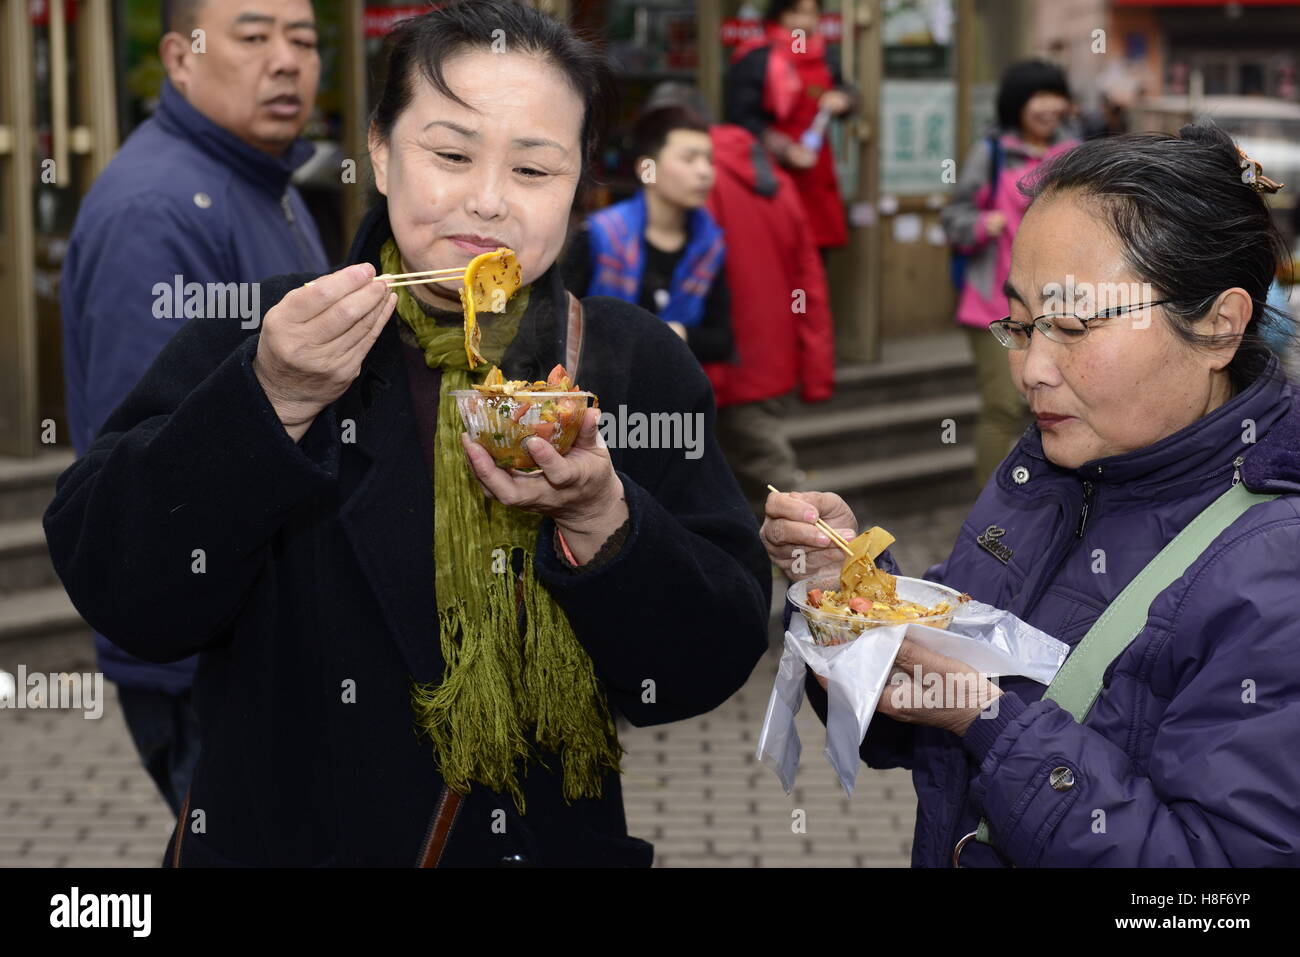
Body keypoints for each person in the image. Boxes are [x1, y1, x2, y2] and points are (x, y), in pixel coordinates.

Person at [45, 0, 770, 867]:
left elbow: (705, 661)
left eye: (535, 170)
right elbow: (126, 591)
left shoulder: (630, 365)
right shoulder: (264, 333)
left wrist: (603, 518)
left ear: (580, 185)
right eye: (452, 154)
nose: (489, 201)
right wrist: (266, 400)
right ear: (383, 154)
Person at [762, 123, 1300, 866]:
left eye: (1073, 325)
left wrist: (984, 717)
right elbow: (911, 717)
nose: (1032, 369)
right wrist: (853, 593)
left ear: (1218, 327)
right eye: (1019, 323)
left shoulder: (1276, 569)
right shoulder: (1044, 473)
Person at [58, 0, 329, 817]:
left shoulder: (264, 181)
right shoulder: (160, 212)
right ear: (179, 60)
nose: (285, 60)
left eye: (305, 40)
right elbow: (152, 468)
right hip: (209, 658)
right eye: (252, 37)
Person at [941, 59, 1077, 486]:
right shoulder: (992, 152)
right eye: (1039, 96)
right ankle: (991, 509)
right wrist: (984, 224)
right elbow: (953, 219)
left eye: (1056, 95)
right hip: (994, 307)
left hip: (1058, 305)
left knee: (1050, 402)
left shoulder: (1074, 153)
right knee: (1003, 406)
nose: (1050, 106)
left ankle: (1041, 499)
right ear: (1017, 104)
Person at [706, 120, 834, 514]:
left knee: (775, 498)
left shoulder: (698, 183)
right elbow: (809, 281)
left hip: (721, 370)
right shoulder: (779, 183)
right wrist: (815, 369)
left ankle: (825, 573)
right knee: (764, 491)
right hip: (770, 365)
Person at [562, 105, 732, 365]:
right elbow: (560, 325)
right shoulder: (600, 236)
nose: (705, 172)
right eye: (689, 159)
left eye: (709, 159)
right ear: (647, 169)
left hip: (676, 397)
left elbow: (722, 341)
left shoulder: (709, 246)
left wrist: (677, 334)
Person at [724, 0, 855, 251]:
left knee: (816, 252)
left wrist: (845, 99)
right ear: (779, 13)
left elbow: (845, 90)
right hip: (770, 171)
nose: (804, 22)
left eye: (811, 14)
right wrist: (784, 149)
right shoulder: (755, 57)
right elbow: (740, 120)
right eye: (796, 13)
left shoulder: (825, 55)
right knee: (775, 249)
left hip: (816, 169)